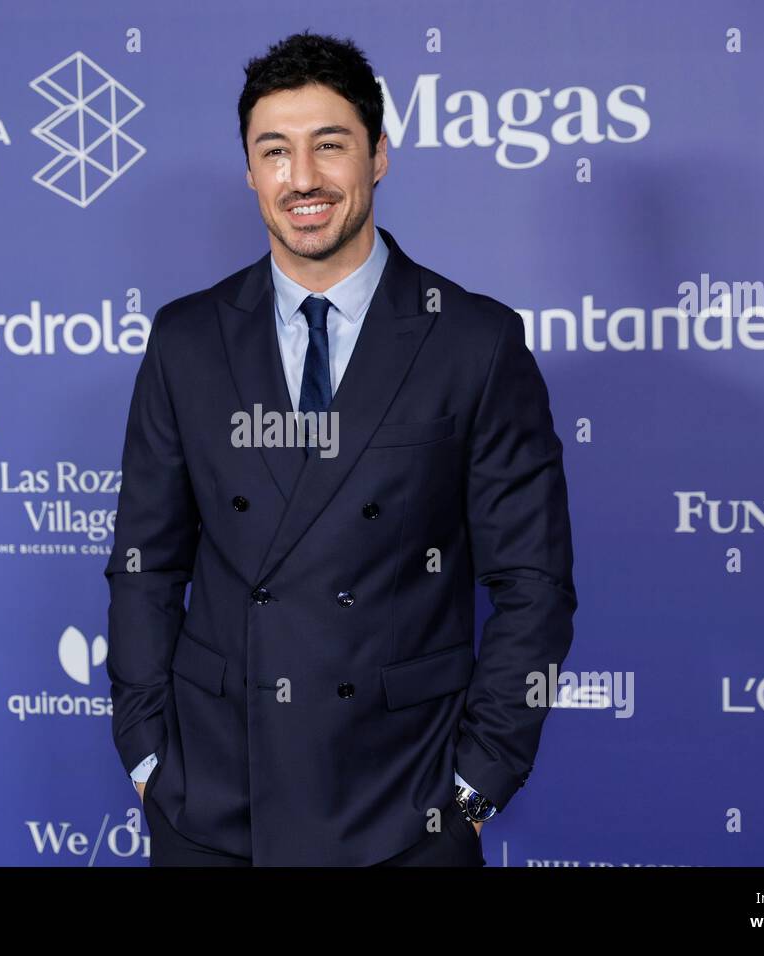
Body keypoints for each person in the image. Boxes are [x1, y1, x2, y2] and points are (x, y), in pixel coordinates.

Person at [104, 30, 577, 866]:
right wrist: (147, 753)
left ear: (379, 155)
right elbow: (146, 562)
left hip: (403, 800)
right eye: (275, 151)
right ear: (250, 172)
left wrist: (477, 780)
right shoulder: (185, 339)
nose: (304, 179)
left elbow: (533, 583)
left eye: (331, 146)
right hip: (214, 800)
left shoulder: (474, 341)